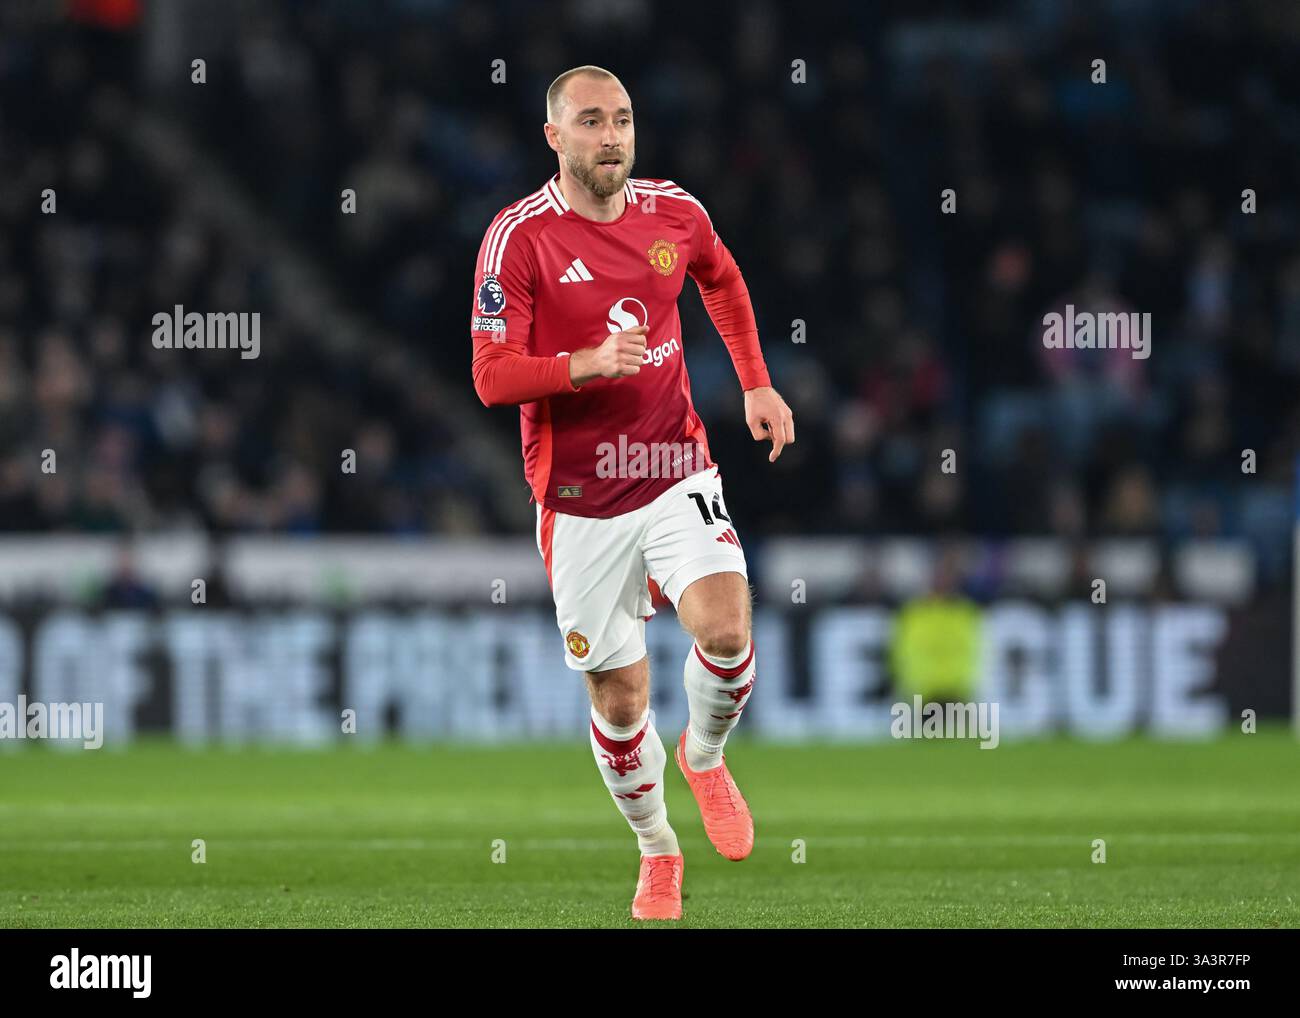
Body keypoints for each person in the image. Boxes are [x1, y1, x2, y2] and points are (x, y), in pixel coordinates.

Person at [469, 65, 794, 920]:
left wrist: (755, 382)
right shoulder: (519, 239)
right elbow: (491, 377)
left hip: (672, 468)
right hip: (577, 500)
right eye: (590, 122)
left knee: (726, 631)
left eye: (620, 119)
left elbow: (720, 278)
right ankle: (657, 852)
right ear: (555, 137)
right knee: (620, 703)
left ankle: (707, 755)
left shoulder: (674, 213)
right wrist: (583, 367)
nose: (610, 136)